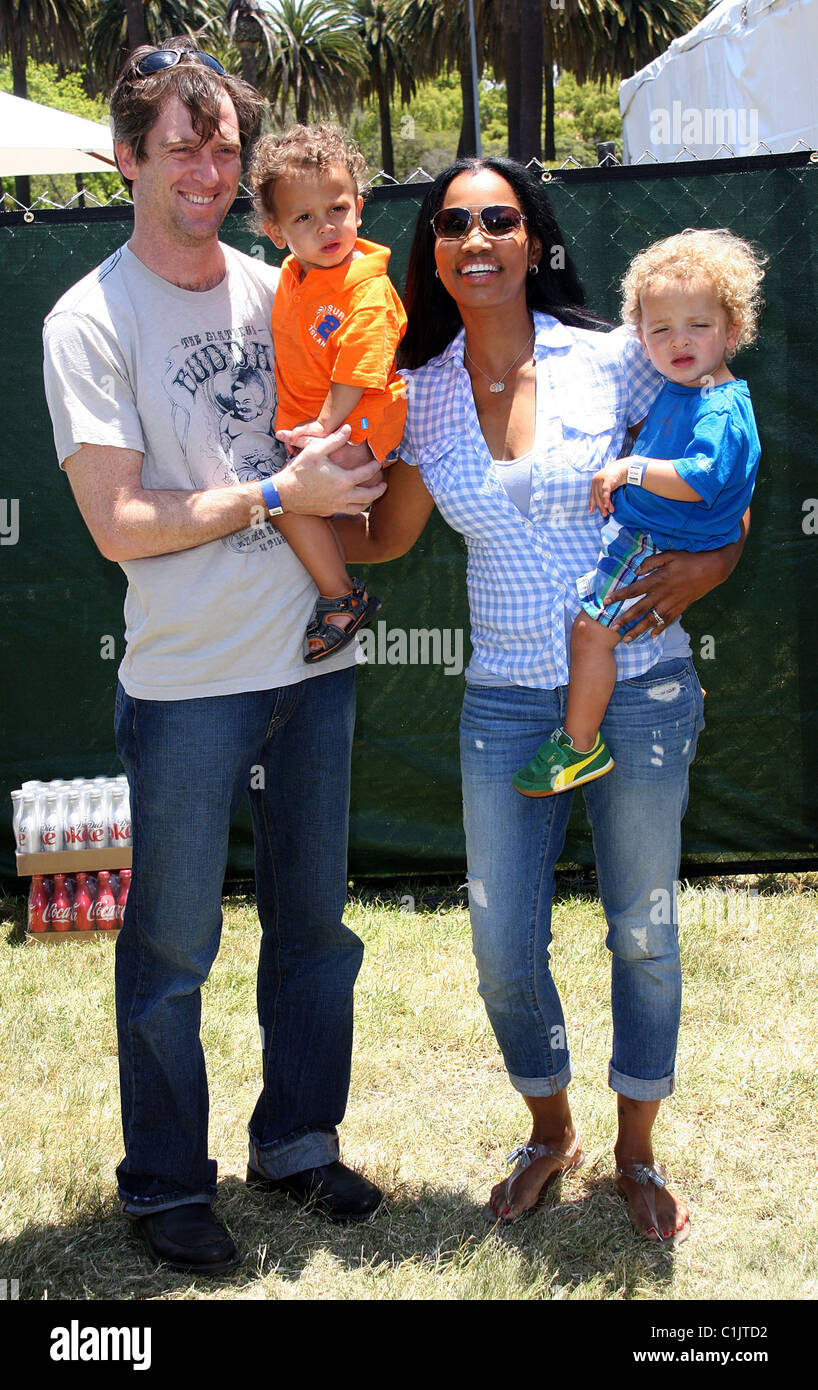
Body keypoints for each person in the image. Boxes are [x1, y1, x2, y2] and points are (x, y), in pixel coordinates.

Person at [334, 158, 750, 1245]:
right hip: (505, 706)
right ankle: (549, 1130)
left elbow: (720, 479)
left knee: (643, 932)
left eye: (499, 219)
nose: (477, 236)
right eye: (453, 221)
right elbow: (385, 536)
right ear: (429, 247)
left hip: (642, 691)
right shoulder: (415, 390)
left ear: (532, 240)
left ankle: (635, 1152)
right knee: (501, 943)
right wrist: (275, 508)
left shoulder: (617, 358)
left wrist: (709, 566)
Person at [41, 39, 385, 1276]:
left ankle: (296, 1141)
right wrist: (268, 491)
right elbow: (117, 524)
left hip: (311, 666)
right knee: (173, 947)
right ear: (128, 158)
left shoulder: (283, 280)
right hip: (187, 685)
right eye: (178, 142)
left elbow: (351, 441)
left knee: (314, 931)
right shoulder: (89, 320)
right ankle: (165, 1183)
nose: (203, 162)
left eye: (221, 143)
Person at [513, 228, 765, 797]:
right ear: (641, 339)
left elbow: (703, 479)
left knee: (590, 631)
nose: (680, 341)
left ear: (733, 328)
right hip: (648, 535)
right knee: (600, 626)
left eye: (698, 325)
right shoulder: (682, 390)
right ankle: (672, 687)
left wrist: (628, 471)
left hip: (655, 542)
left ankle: (577, 747)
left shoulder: (720, 407)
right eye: (660, 329)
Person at [248, 123, 408, 661]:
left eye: (337, 208)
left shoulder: (366, 286)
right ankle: (336, 587)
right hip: (322, 425)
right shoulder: (295, 274)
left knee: (283, 503)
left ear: (358, 207)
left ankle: (342, 597)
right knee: (288, 507)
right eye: (304, 217)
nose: (326, 226)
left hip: (353, 422)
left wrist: (322, 425)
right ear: (276, 232)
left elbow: (359, 370)